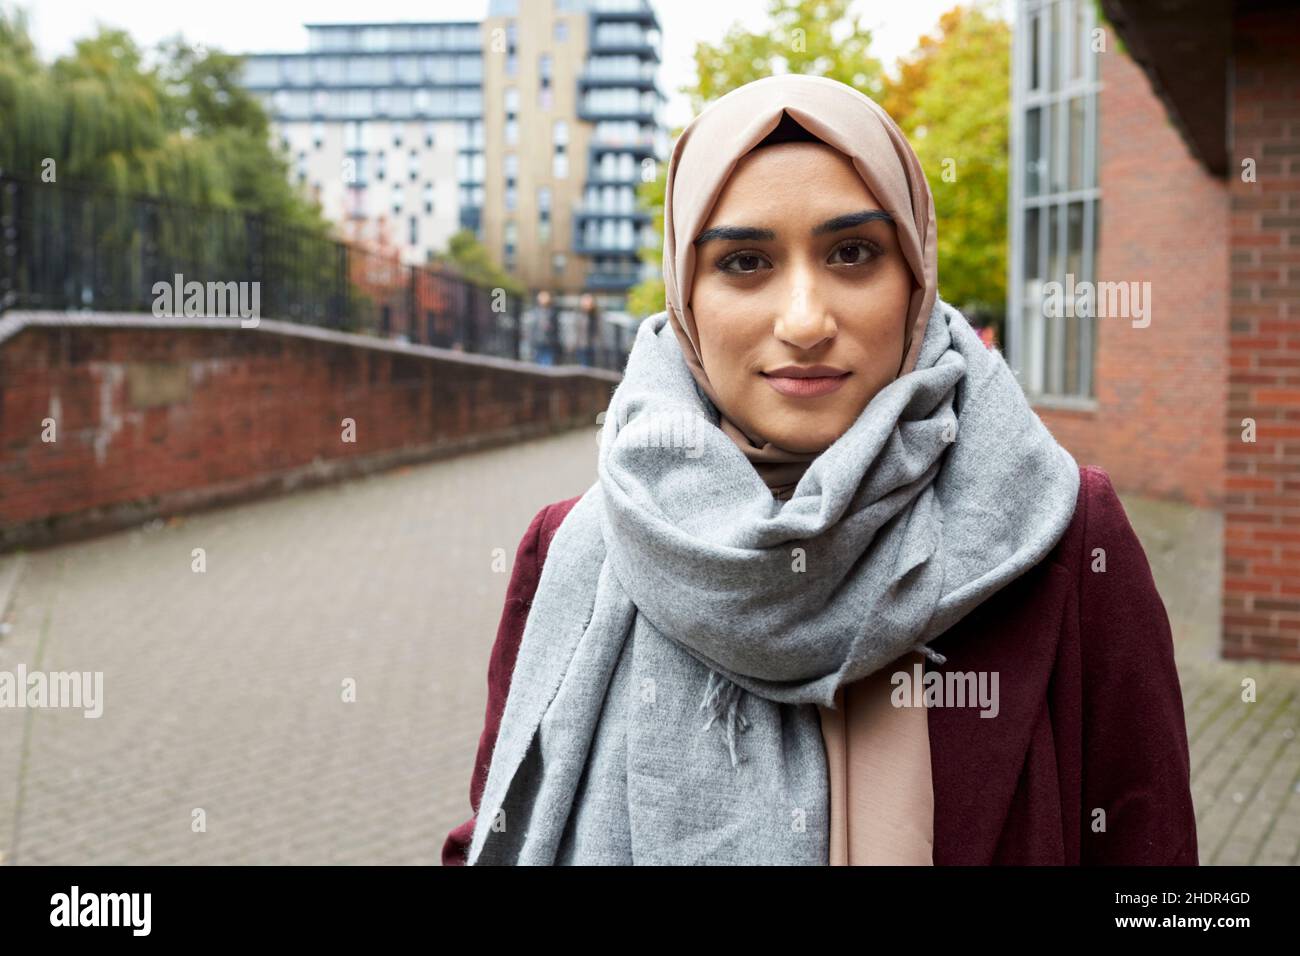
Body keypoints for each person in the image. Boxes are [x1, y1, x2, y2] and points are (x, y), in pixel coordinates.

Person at [443, 74, 1197, 866]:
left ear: (914, 278)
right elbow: (495, 829)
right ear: (685, 295)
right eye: (744, 261)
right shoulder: (573, 548)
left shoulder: (1064, 536)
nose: (805, 321)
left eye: (853, 253)